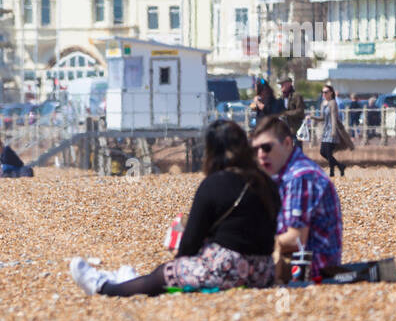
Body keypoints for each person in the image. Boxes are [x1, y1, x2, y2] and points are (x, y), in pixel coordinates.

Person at [69, 120, 279, 297]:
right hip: (264, 271)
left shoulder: (215, 183)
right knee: (171, 271)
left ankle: (104, 287)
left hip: (230, 269)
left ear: (212, 151)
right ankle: (127, 278)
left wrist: (179, 266)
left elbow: (191, 240)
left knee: (165, 273)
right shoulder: (266, 182)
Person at [252, 114, 343, 274]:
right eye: (255, 149)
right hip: (304, 262)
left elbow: (296, 239)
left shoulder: (301, 177)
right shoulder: (286, 174)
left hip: (312, 269)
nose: (261, 154)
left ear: (287, 143)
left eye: (266, 147)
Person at [310, 84, 347, 178]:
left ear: (331, 93)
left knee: (328, 152)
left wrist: (334, 131)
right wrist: (313, 117)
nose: (324, 94)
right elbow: (322, 117)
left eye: (326, 92)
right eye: (322, 92)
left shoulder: (333, 103)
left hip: (331, 130)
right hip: (325, 130)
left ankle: (332, 172)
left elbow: (334, 118)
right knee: (323, 152)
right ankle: (340, 166)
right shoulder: (324, 103)